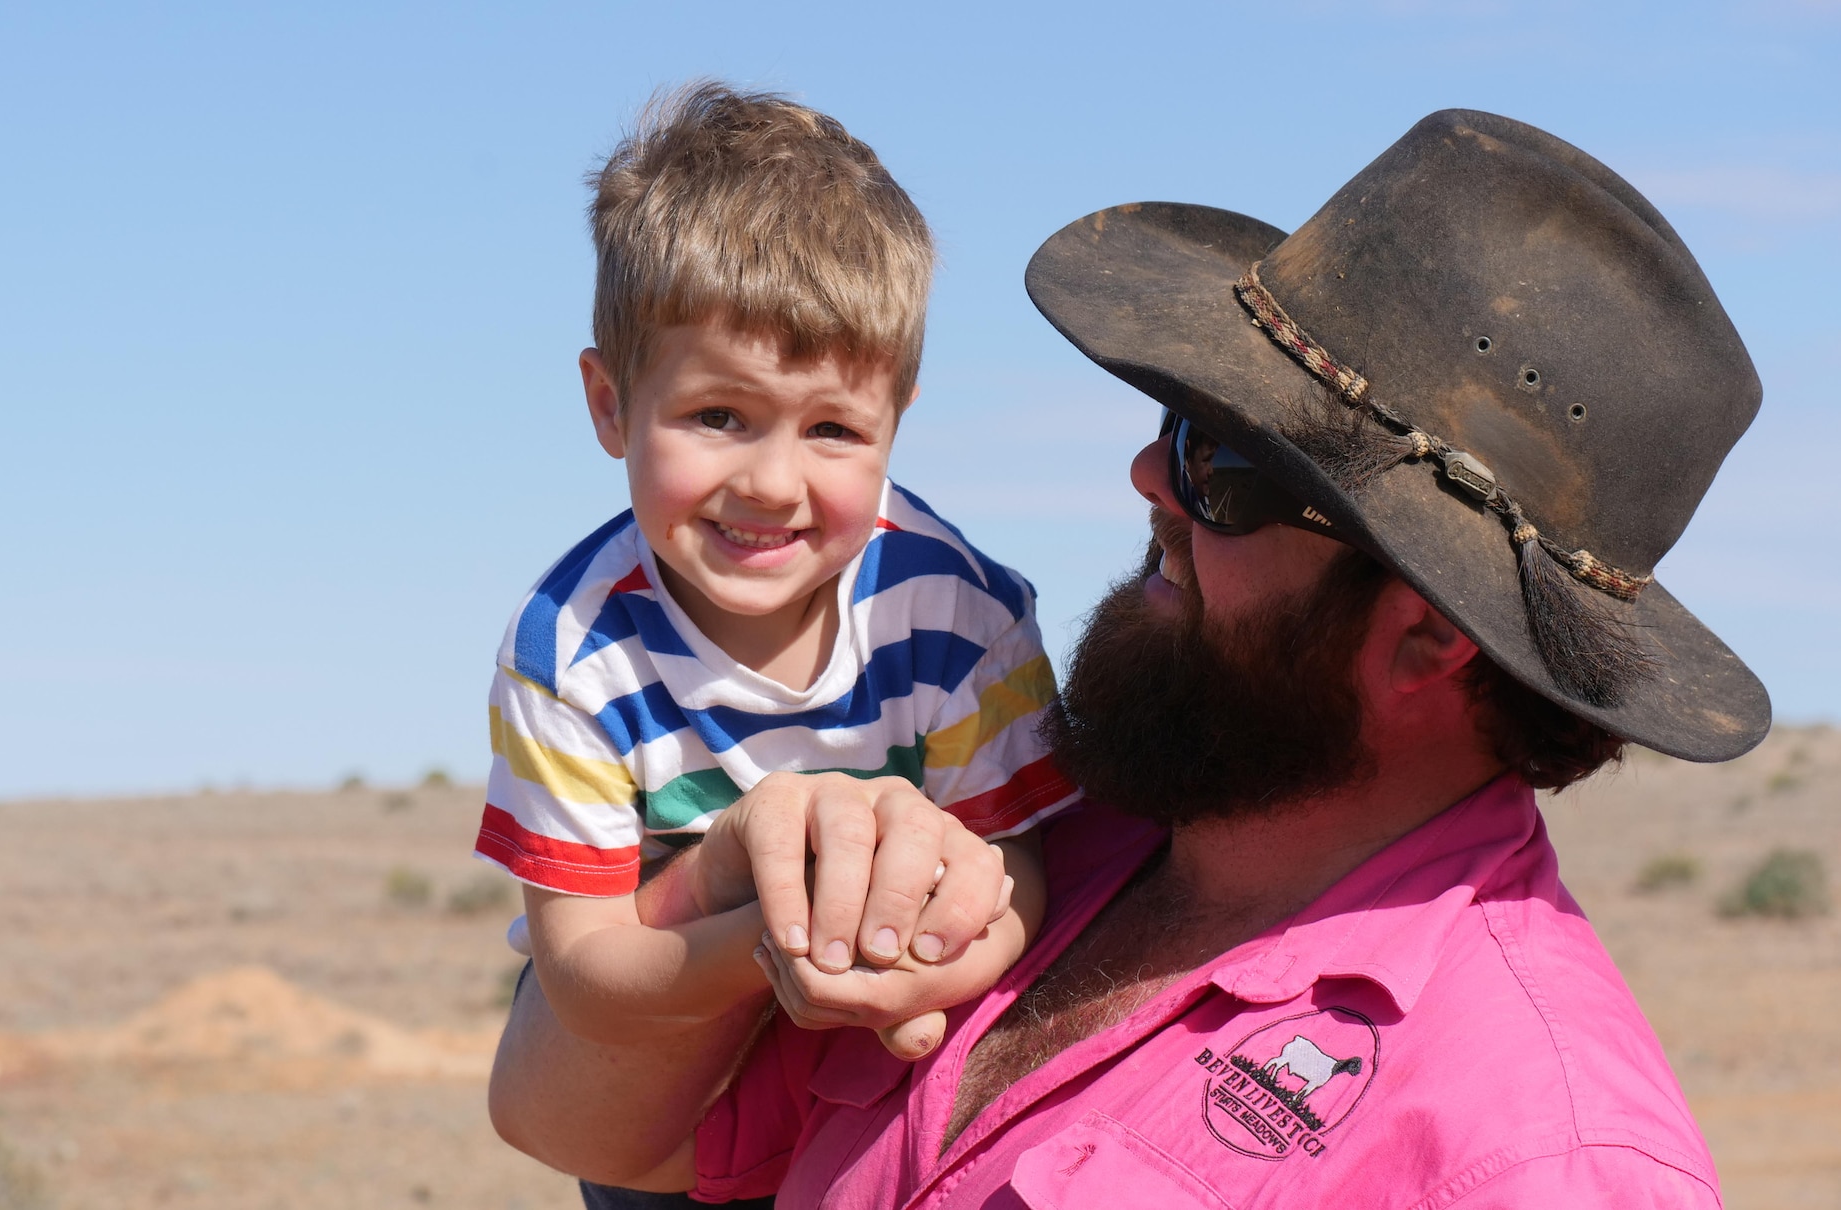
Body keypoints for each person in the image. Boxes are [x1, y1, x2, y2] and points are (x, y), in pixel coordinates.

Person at [489, 109, 1770, 1207]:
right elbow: (586, 1130)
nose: (1149, 474)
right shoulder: (1058, 827)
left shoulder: (1537, 1156)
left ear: (1428, 634)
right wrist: (727, 871)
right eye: (1184, 424)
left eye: (1229, 470)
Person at [477, 82, 1079, 1207]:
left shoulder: (949, 611)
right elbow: (589, 972)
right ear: (610, 405)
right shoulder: (571, 644)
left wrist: (934, 958)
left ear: (896, 417)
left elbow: (1018, 873)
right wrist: (779, 950)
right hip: (655, 1048)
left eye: (832, 431)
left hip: (872, 1041)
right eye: (717, 416)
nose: (770, 482)